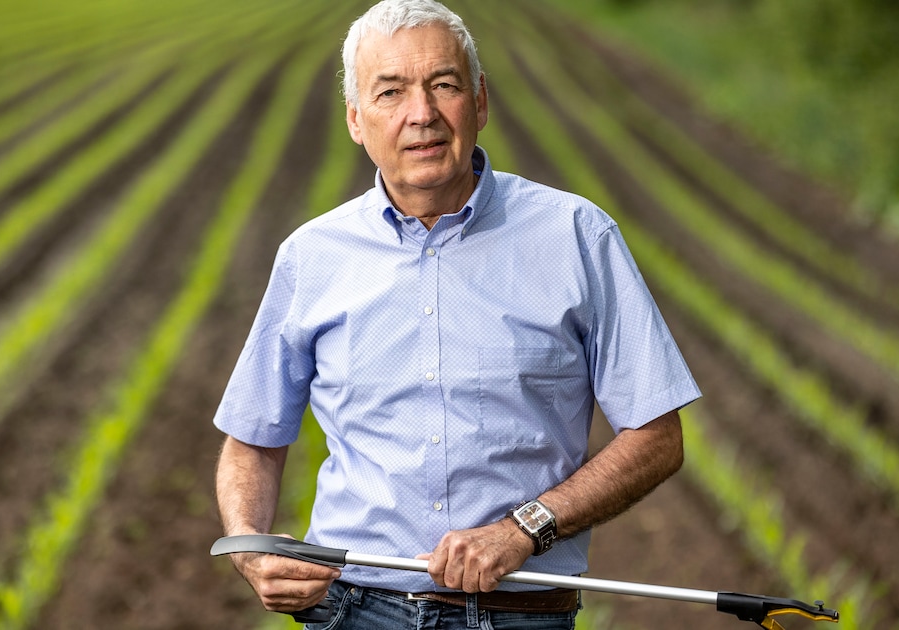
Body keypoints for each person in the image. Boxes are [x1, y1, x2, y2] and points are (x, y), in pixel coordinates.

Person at [212, 1, 701, 628]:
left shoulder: (576, 235)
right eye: (390, 92)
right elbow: (251, 440)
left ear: (480, 102)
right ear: (357, 120)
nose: (422, 114)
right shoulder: (312, 256)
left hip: (520, 614)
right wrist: (251, 547)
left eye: (443, 85)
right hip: (353, 611)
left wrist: (526, 528)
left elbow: (657, 437)